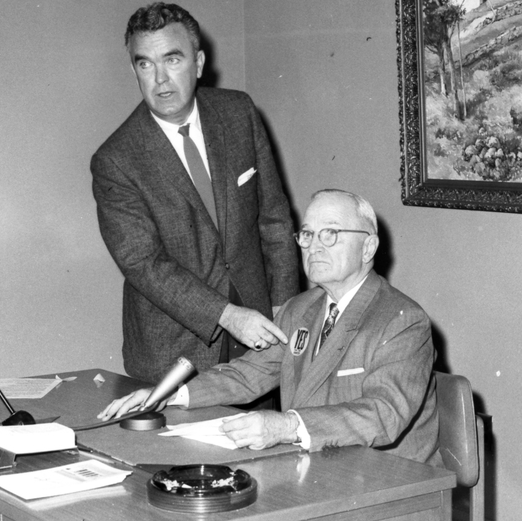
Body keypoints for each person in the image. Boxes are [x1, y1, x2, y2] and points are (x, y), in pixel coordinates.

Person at [99, 189, 442, 466]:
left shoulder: (401, 320)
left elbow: (383, 414)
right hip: (318, 466)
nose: (314, 246)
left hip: (388, 481)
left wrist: (287, 425)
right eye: (307, 234)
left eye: (331, 233)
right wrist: (170, 396)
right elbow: (250, 374)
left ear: (368, 246)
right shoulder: (301, 308)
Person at [91, 2, 299, 383]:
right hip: (175, 351)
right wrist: (227, 315)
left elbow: (274, 218)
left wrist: (284, 308)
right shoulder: (116, 160)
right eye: (145, 64)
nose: (160, 80)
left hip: (262, 335)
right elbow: (143, 264)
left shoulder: (239, 113)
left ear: (199, 63)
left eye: (172, 60)